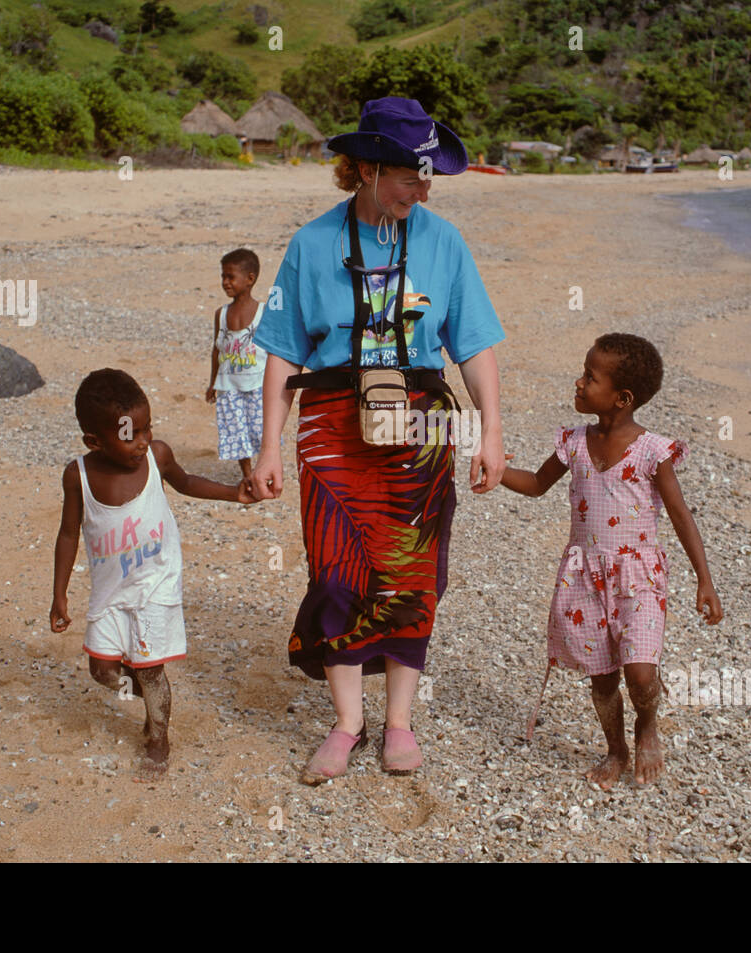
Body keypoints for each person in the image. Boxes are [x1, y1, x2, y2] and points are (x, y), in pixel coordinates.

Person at [250, 97, 506, 784]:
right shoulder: (310, 243)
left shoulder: (444, 241)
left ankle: (398, 723)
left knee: (412, 573)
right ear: (364, 167)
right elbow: (280, 352)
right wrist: (269, 445)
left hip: (421, 424)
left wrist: (490, 433)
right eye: (409, 178)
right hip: (331, 423)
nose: (423, 192)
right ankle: (346, 723)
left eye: (428, 180)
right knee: (337, 568)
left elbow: (474, 345)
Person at [501, 333, 723, 789]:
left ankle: (647, 723)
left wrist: (705, 579)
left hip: (637, 577)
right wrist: (496, 471)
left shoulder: (652, 451)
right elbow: (538, 484)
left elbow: (681, 516)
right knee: (602, 680)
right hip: (583, 579)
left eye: (590, 377)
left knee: (641, 673)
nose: (579, 383)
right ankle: (616, 749)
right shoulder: (575, 442)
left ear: (622, 398)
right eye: (583, 373)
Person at [51, 368, 254, 779]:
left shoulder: (157, 456)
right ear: (94, 441)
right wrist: (60, 593)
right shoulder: (79, 477)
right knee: (103, 671)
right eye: (130, 435)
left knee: (151, 668)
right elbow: (68, 533)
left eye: (147, 429)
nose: (142, 442)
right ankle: (145, 694)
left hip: (155, 585)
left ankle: (158, 737)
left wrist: (235, 492)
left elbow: (187, 482)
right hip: (110, 592)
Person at [205, 248, 266, 480]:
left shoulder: (263, 313)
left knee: (259, 430)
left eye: (231, 277)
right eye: (223, 276)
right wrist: (212, 383)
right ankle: (247, 474)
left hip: (257, 383)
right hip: (228, 385)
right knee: (237, 432)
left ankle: (263, 468)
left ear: (250, 279)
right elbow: (216, 349)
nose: (225, 282)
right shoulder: (221, 314)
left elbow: (274, 349)